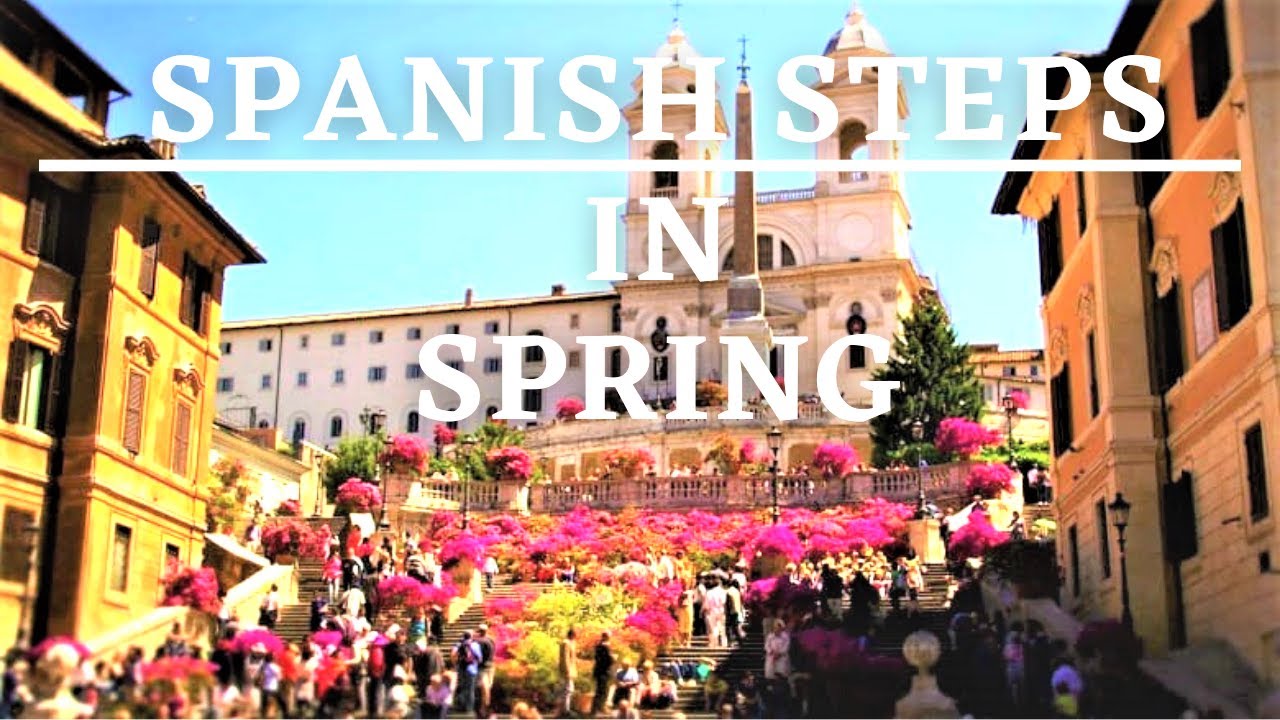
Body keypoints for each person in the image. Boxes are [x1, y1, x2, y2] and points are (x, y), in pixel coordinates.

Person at [452, 631, 481, 715]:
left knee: (462, 688)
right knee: (471, 689)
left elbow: (453, 654)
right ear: (471, 636)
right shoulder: (475, 645)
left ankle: (461, 706)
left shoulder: (459, 644)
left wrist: (455, 665)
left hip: (461, 669)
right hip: (472, 669)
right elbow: (480, 658)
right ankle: (469, 709)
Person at [475, 624, 497, 716]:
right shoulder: (491, 640)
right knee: (488, 687)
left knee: (484, 688)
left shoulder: (479, 641)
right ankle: (486, 707)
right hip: (491, 666)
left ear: (479, 631)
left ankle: (484, 708)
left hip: (482, 667)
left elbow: (476, 655)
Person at [591, 632, 615, 715]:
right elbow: (610, 660)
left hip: (598, 671)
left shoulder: (598, 646)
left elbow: (597, 658)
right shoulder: (605, 646)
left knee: (599, 690)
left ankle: (595, 709)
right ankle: (599, 709)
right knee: (603, 691)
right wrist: (614, 657)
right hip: (604, 672)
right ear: (607, 637)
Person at [702, 579, 727, 648]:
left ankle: (713, 643)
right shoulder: (723, 592)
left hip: (711, 611)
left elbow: (706, 604)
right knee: (722, 627)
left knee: (713, 628)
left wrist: (704, 610)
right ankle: (723, 643)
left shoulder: (709, 592)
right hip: (721, 610)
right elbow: (723, 602)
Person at [558, 629, 577, 716]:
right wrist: (568, 671)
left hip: (569, 670)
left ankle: (564, 709)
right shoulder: (566, 643)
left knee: (567, 689)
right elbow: (565, 658)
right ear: (572, 635)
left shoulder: (569, 643)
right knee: (568, 689)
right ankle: (566, 710)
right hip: (567, 671)